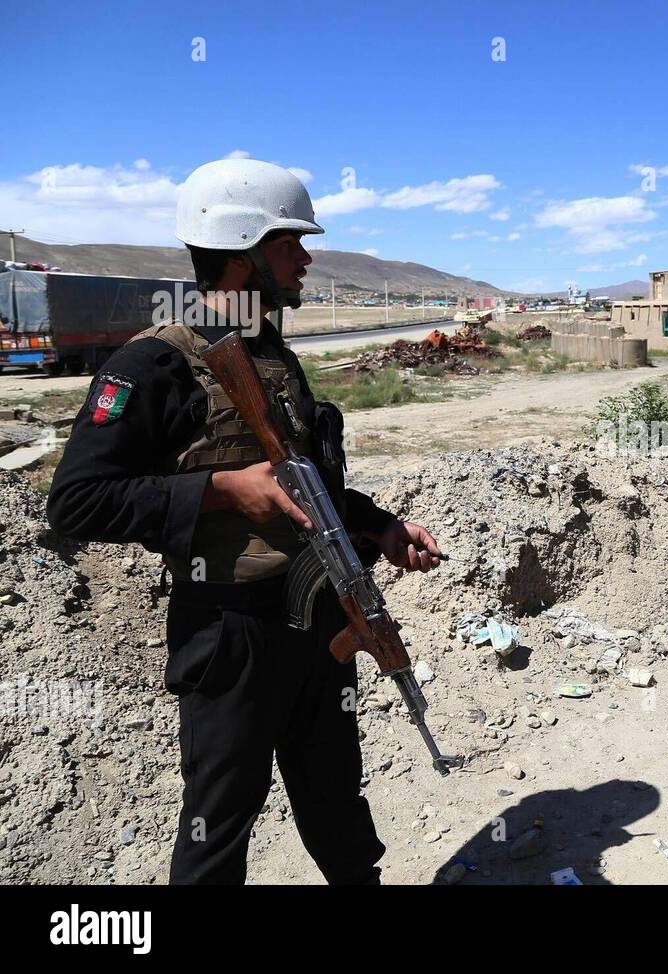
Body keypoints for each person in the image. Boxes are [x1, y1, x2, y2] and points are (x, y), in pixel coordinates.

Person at [46, 158, 444, 884]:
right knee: (217, 832)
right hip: (230, 640)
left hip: (319, 627)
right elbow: (75, 502)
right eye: (290, 243)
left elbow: (306, 487)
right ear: (241, 253)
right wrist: (220, 491)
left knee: (339, 812)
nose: (307, 258)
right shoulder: (151, 367)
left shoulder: (273, 357)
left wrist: (380, 528)